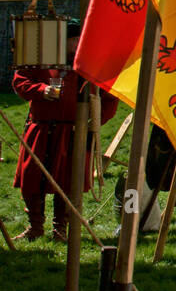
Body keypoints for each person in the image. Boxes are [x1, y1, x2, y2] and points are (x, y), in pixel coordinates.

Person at [11, 21, 118, 242]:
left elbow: (109, 98)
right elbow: (20, 81)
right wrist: (41, 90)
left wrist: (93, 123)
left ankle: (60, 229)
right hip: (40, 127)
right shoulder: (40, 58)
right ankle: (35, 227)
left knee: (67, 181)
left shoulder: (90, 64)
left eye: (80, 40)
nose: (77, 44)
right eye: (73, 40)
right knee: (32, 178)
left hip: (72, 132)